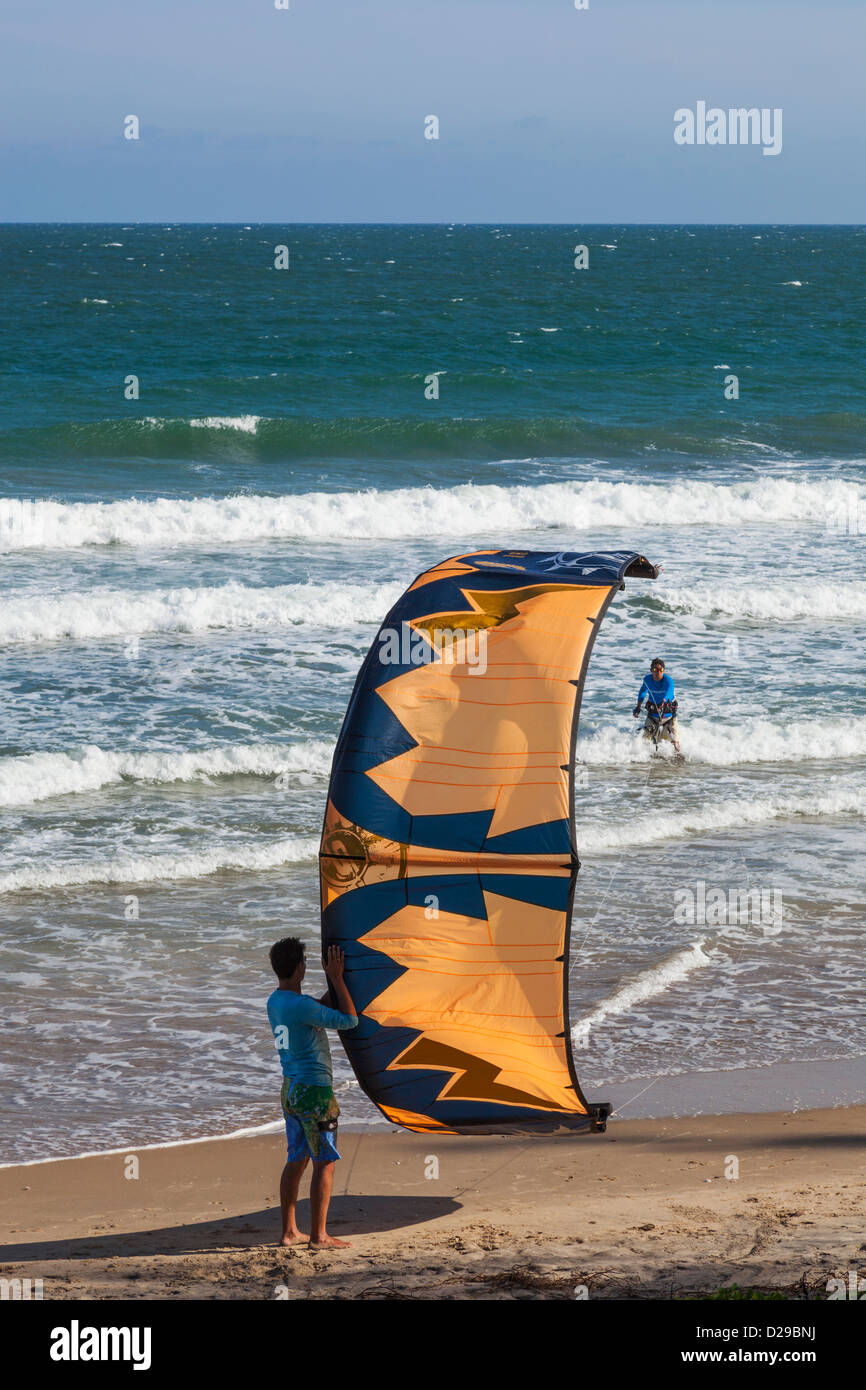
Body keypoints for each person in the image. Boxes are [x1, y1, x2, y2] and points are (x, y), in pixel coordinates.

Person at [266, 937, 358, 1249]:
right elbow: (349, 1020)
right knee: (325, 1161)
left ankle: (289, 1231)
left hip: (290, 1090)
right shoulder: (302, 1007)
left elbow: (314, 1009)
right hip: (315, 1095)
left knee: (297, 1159)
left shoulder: (276, 1001)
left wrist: (332, 990)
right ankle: (319, 1236)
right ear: (301, 969)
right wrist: (336, 978)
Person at [633, 656, 681, 755]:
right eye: (655, 669)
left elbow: (669, 692)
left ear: (663, 671)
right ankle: (643, 759)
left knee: (674, 741)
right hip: (653, 715)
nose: (657, 672)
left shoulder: (668, 681)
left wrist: (664, 701)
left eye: (660, 670)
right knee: (645, 739)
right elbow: (642, 692)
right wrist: (638, 707)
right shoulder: (647, 680)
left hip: (669, 717)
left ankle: (679, 760)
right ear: (651, 670)